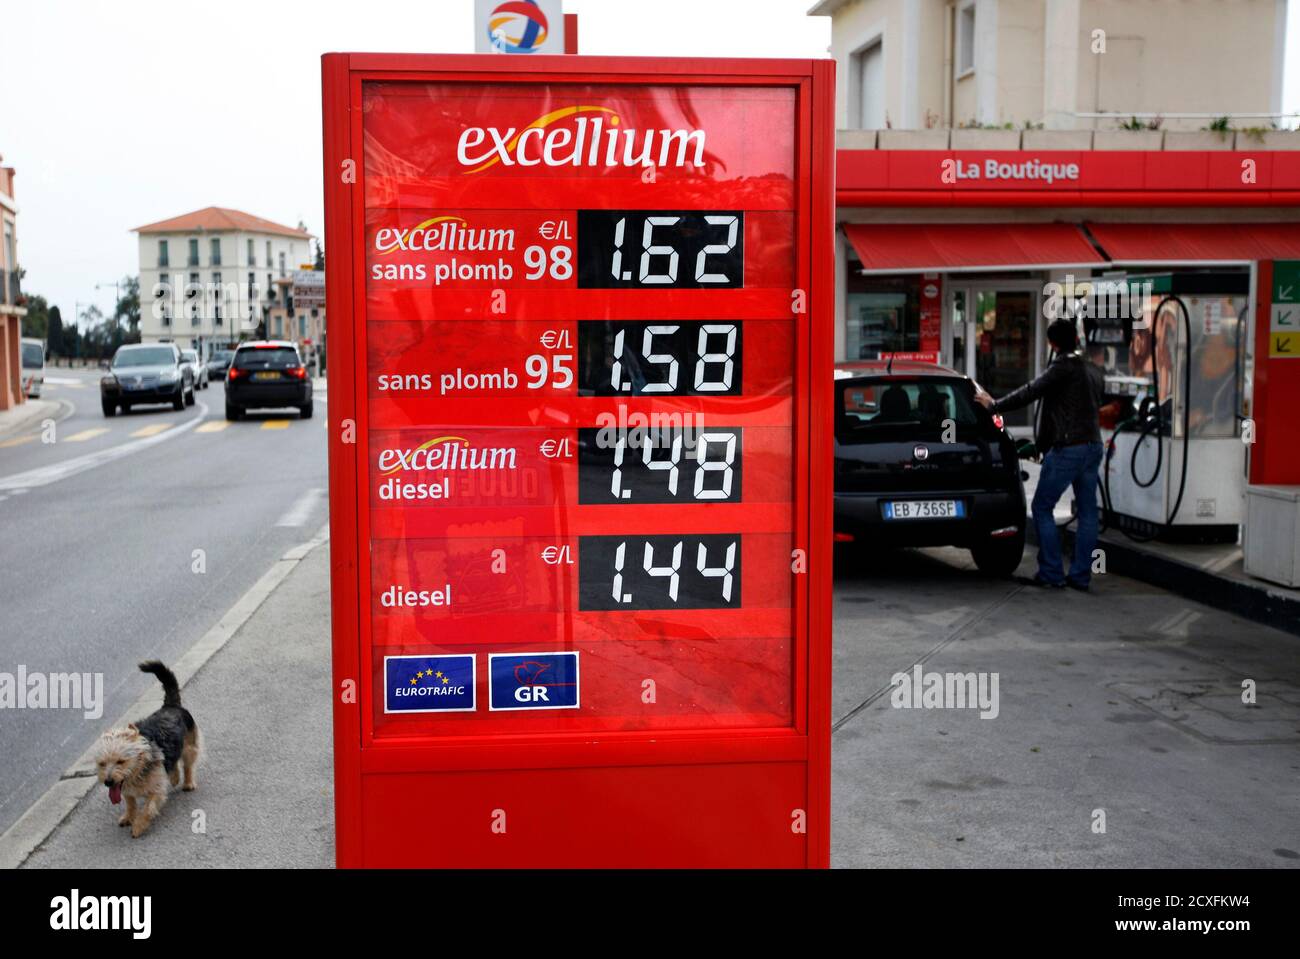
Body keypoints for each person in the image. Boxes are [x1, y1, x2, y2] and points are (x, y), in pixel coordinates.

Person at [974, 319, 1105, 591]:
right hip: (1093, 445)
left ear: (1053, 343)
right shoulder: (1091, 368)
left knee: (1042, 507)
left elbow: (1031, 391)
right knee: (1088, 512)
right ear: (1077, 339)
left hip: (1069, 448)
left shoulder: (1062, 366)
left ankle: (1052, 573)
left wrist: (994, 405)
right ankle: (1081, 576)